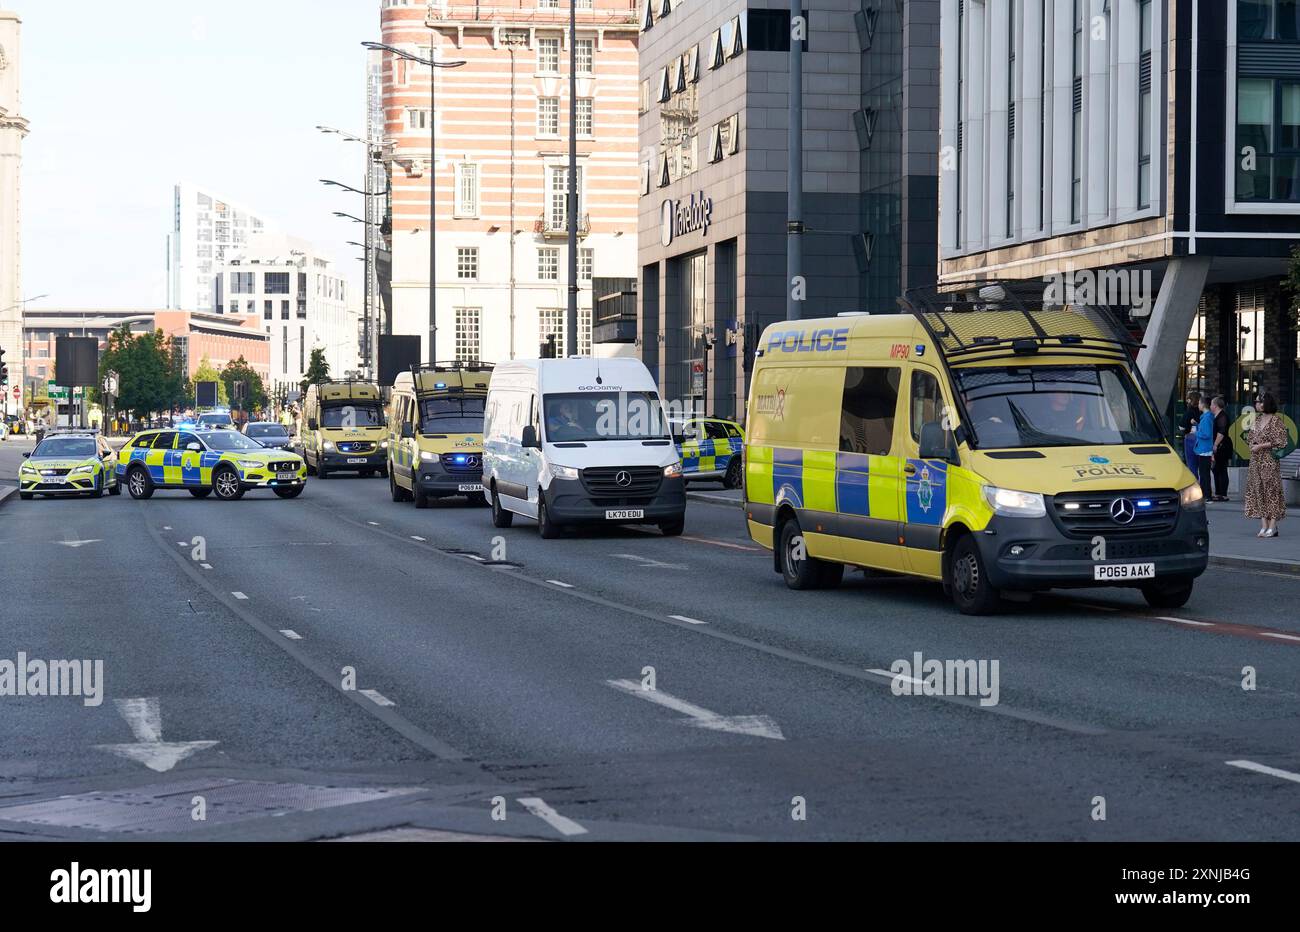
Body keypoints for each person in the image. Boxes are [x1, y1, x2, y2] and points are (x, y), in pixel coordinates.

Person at [1244, 391, 1288, 539]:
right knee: (1258, 492)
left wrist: (1261, 446)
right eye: (1256, 401)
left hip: (1269, 462)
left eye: (1258, 401)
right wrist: (1252, 444)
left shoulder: (1276, 421)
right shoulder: (1256, 420)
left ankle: (1272, 526)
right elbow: (1249, 437)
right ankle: (1264, 525)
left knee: (1271, 492)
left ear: (1266, 403)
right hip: (1255, 461)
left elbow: (1281, 442)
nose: (1256, 404)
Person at [1194, 396, 1215, 501]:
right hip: (1205, 449)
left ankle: (1206, 495)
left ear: (1202, 404)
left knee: (1204, 474)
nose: (1198, 405)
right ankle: (1207, 495)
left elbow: (1206, 434)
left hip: (1204, 449)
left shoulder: (1206, 418)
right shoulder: (1207, 417)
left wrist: (1195, 432)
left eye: (1199, 403)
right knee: (1204, 473)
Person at [1210, 395, 1231, 501]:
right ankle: (1218, 493)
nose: (1210, 406)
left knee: (1221, 469)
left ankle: (1223, 494)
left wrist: (1215, 445)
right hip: (1219, 445)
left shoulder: (1222, 416)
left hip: (1222, 446)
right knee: (1216, 469)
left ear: (1216, 405)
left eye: (1211, 404)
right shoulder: (1217, 416)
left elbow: (1221, 432)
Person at [1180, 392, 1201, 470]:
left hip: (1190, 438)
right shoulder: (1202, 412)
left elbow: (1181, 426)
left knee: (1191, 465)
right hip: (1202, 440)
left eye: (1188, 399)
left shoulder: (1189, 411)